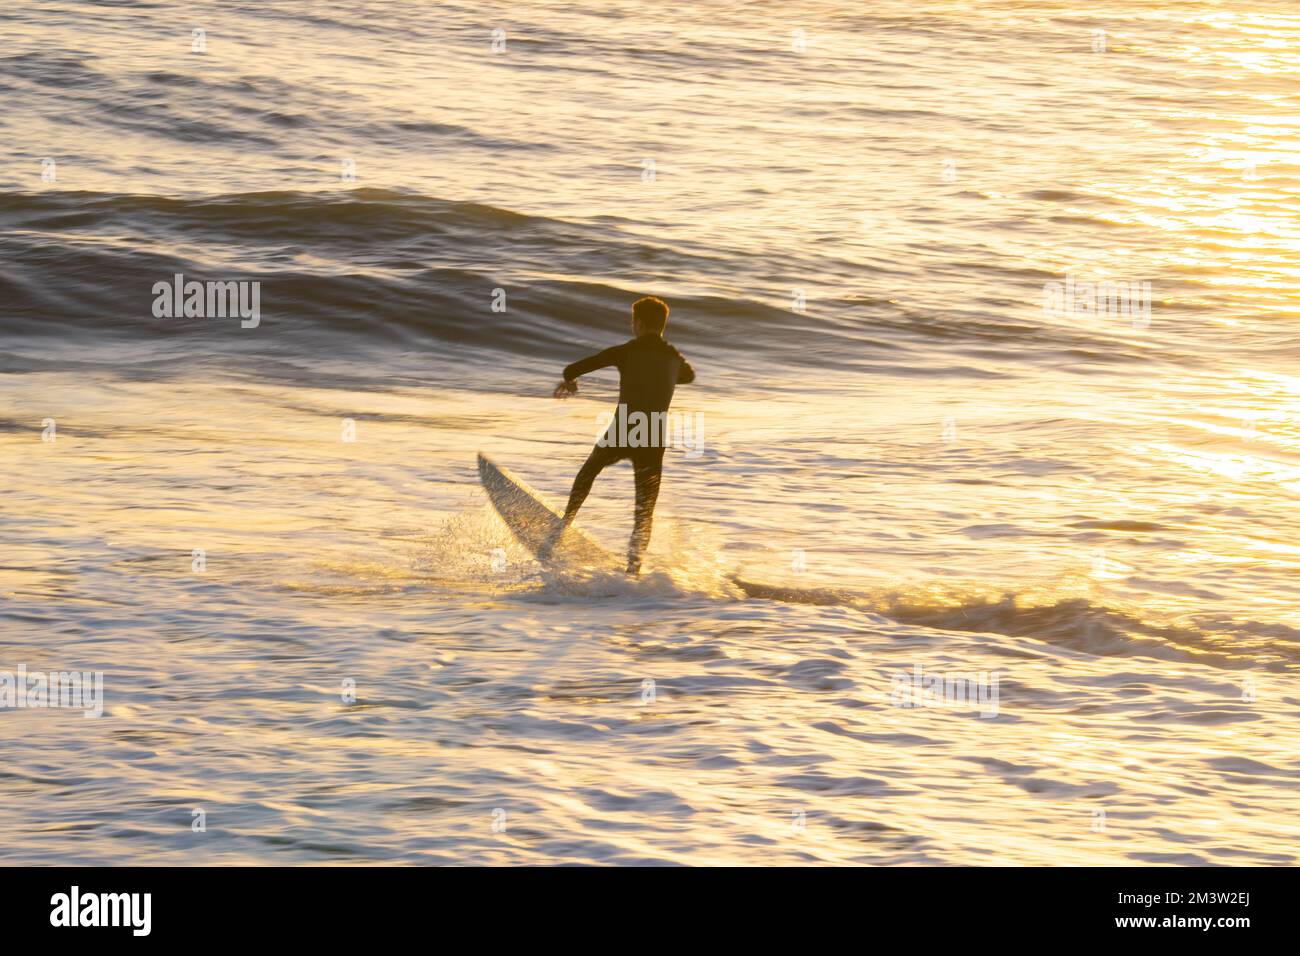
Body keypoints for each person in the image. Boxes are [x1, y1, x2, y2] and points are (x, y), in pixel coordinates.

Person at [548, 296, 695, 574]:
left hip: (623, 430)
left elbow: (575, 367)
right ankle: (633, 570)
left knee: (588, 473)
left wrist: (570, 382)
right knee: (644, 511)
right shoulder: (674, 357)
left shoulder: (627, 350)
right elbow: (688, 376)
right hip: (652, 437)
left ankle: (562, 527)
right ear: (662, 325)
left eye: (633, 321)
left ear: (638, 323)